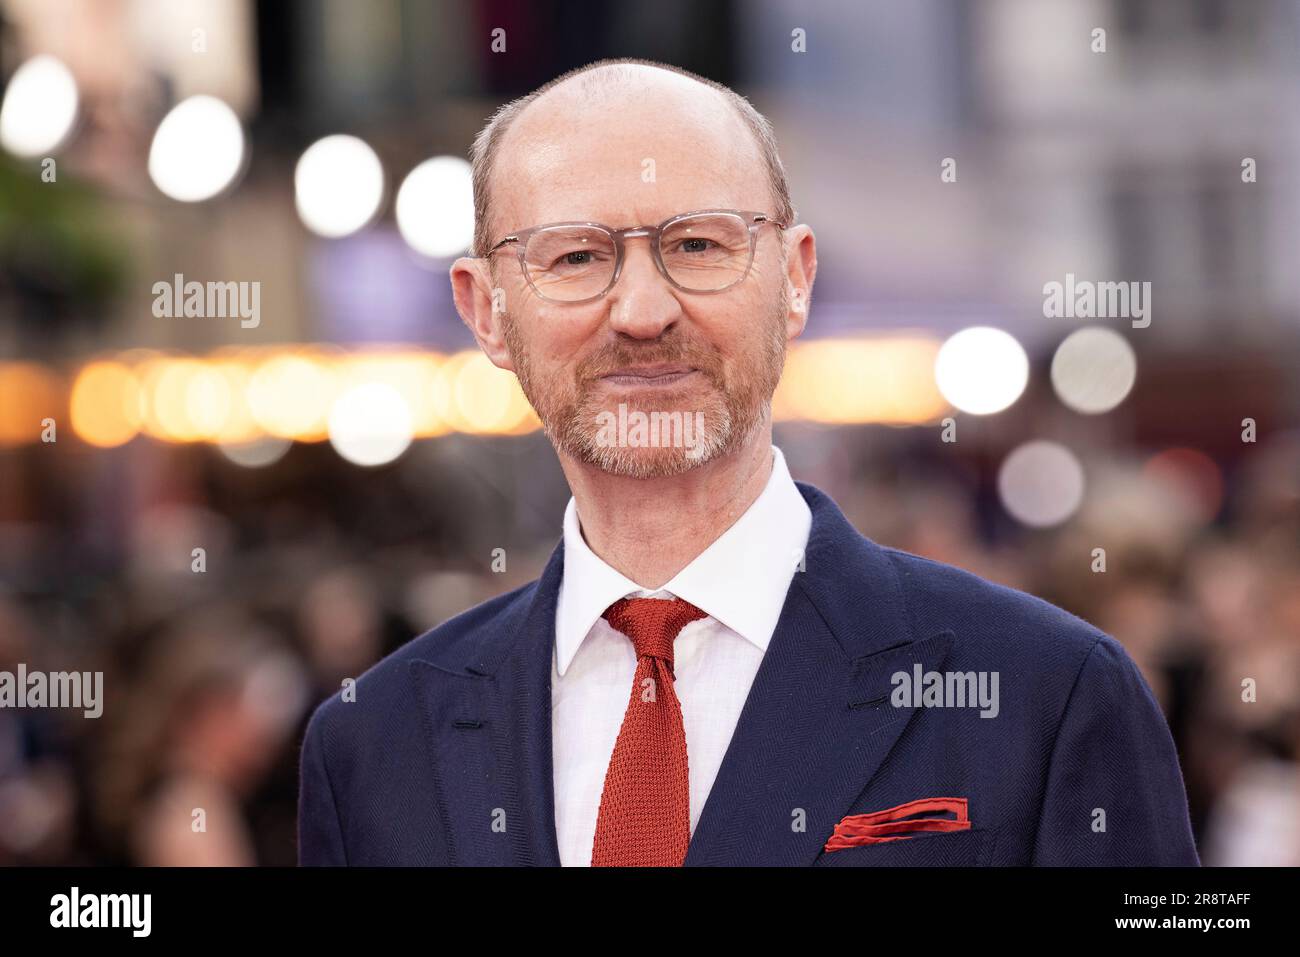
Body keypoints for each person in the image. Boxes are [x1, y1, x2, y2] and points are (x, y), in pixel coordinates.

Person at [298, 57, 1199, 867]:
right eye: (575, 256)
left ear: (795, 277)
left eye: (698, 245)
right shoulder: (372, 743)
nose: (643, 311)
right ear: (486, 311)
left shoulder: (1050, 692)